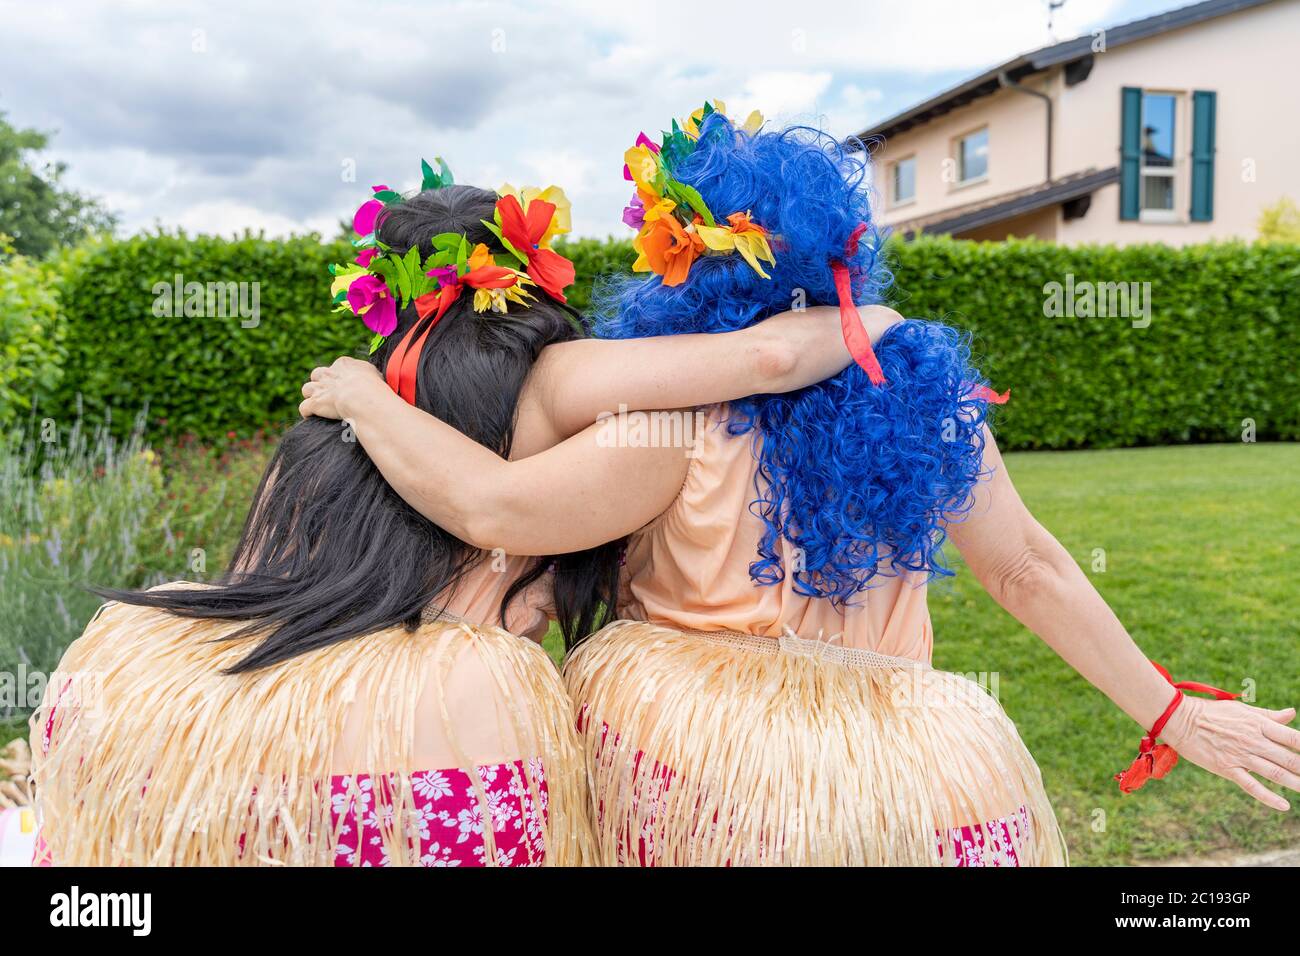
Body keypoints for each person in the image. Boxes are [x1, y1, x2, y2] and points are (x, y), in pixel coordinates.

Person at [300, 109, 1299, 866]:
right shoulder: (925, 394)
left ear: (685, 265)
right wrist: (1172, 710)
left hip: (704, 778)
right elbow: (1028, 568)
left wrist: (369, 399)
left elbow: (499, 511)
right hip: (923, 778)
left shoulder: (665, 412)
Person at [31, 170, 862, 866]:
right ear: (528, 279)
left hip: (239, 736)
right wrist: (879, 327)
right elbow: (771, 357)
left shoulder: (336, 408)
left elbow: (261, 571)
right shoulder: (551, 382)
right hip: (430, 742)